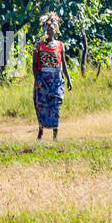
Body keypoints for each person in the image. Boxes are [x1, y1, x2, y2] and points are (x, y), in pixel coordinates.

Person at [33, 12, 72, 140]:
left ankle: (55, 135)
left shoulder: (60, 45)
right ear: (44, 30)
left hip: (56, 79)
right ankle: (41, 132)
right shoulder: (38, 46)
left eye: (52, 29)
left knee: (55, 105)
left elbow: (64, 63)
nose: (49, 32)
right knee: (42, 106)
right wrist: (38, 80)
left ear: (56, 30)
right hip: (43, 80)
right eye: (47, 29)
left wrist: (69, 79)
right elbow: (34, 65)